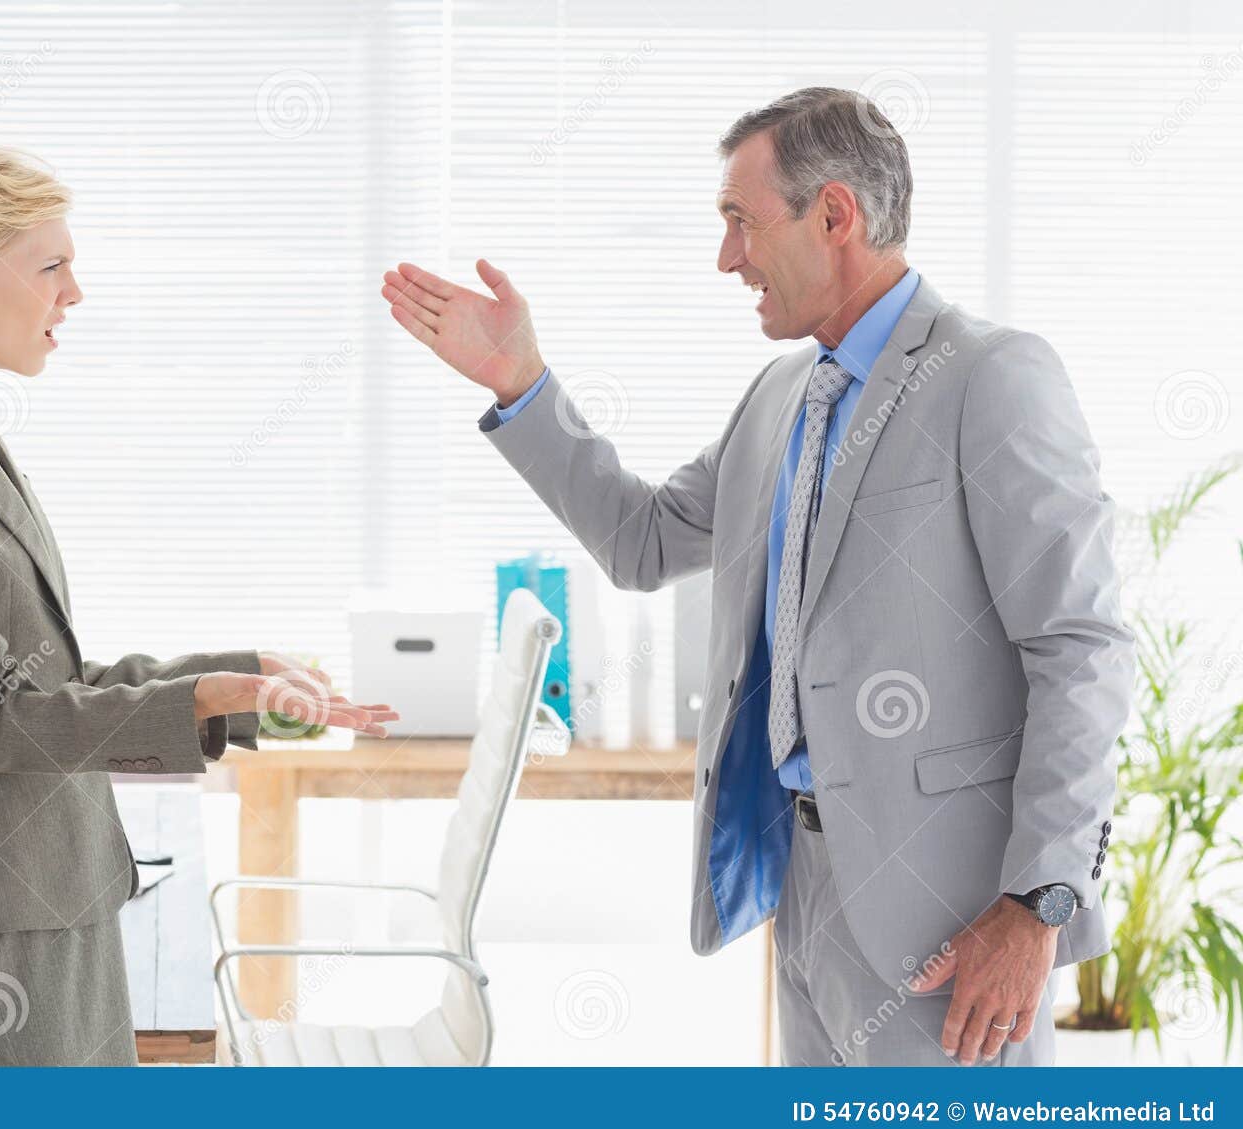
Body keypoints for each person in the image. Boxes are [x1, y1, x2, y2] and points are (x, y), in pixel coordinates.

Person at [381, 87, 1133, 1066]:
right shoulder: (783, 395)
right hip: (806, 886)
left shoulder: (990, 375)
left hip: (956, 922)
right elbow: (643, 540)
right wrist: (521, 382)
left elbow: (1081, 646)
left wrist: (1039, 901)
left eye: (741, 220)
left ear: (834, 215)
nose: (726, 257)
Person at [0, 146, 396, 1065]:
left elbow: (51, 676)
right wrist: (201, 698)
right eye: (51, 266)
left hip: (55, 900)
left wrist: (236, 682)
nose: (73, 293)